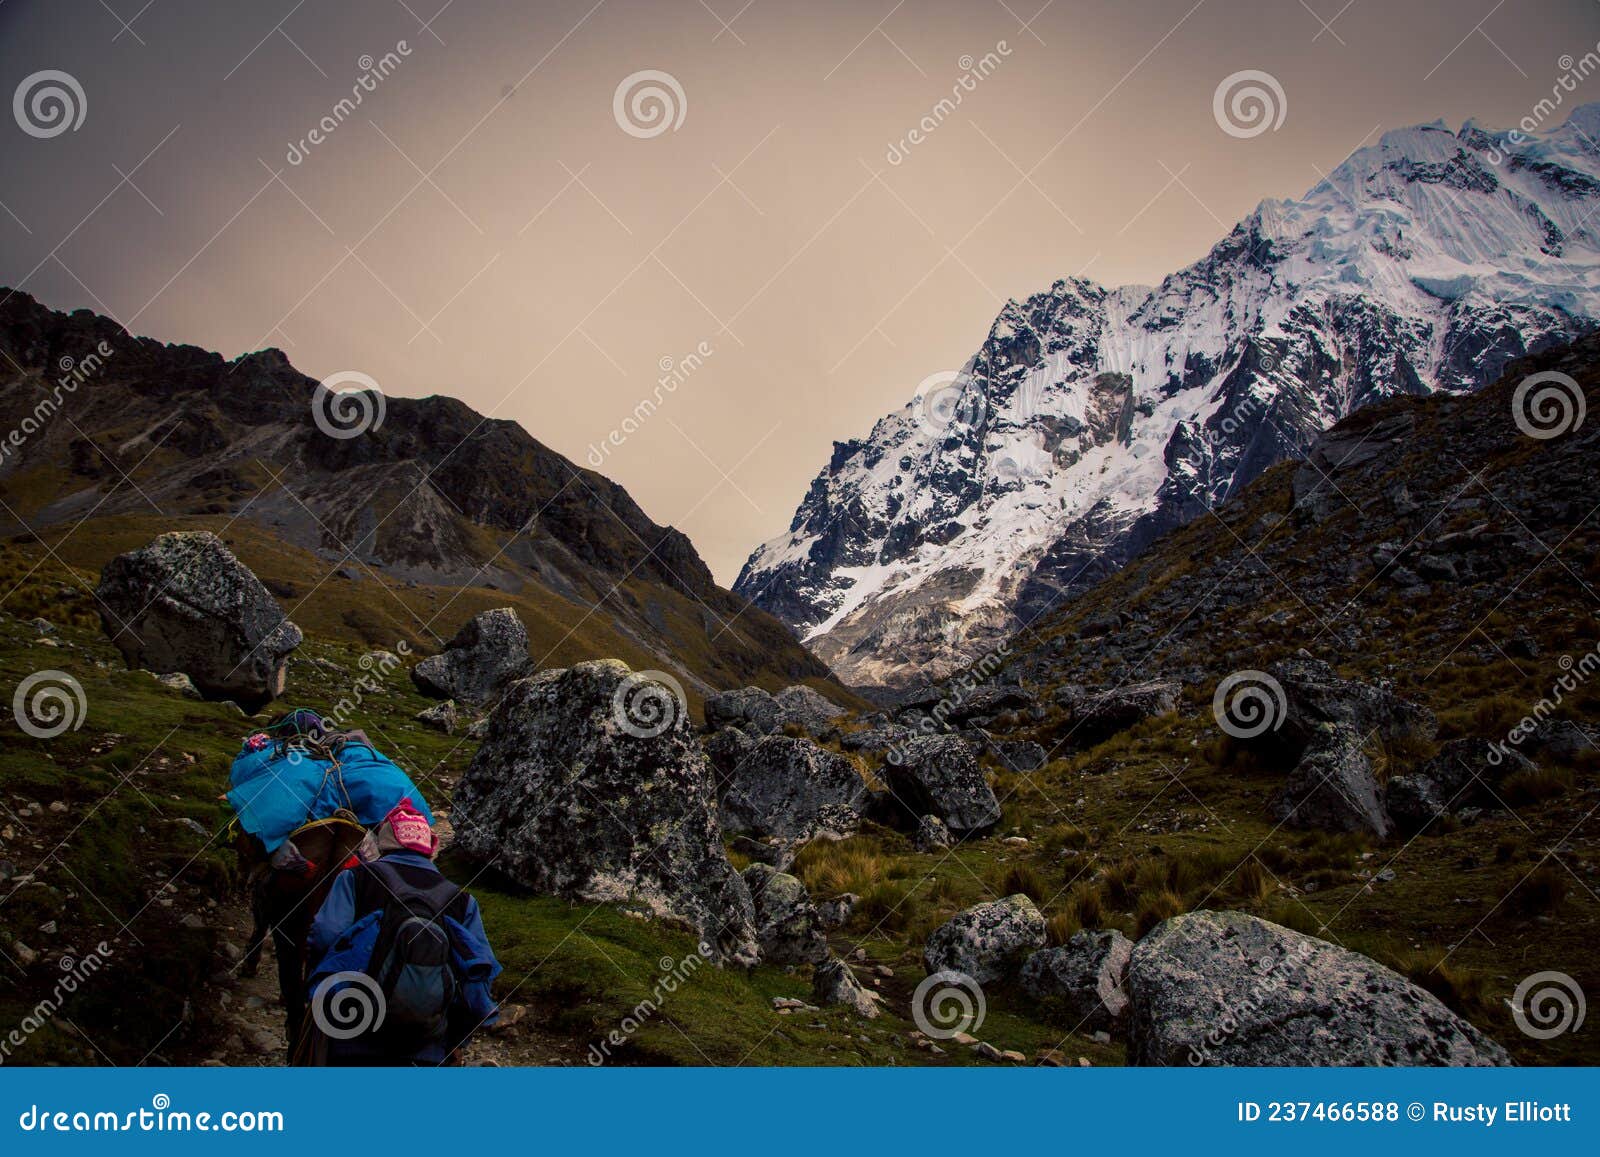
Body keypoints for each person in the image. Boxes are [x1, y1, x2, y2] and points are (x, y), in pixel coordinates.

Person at [300, 800, 500, 1065]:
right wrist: (457, 1040)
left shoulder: (357, 879)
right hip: (427, 1041)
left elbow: (324, 935)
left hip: (352, 1029)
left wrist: (318, 992)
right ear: (430, 846)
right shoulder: (460, 900)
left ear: (384, 842)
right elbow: (479, 969)